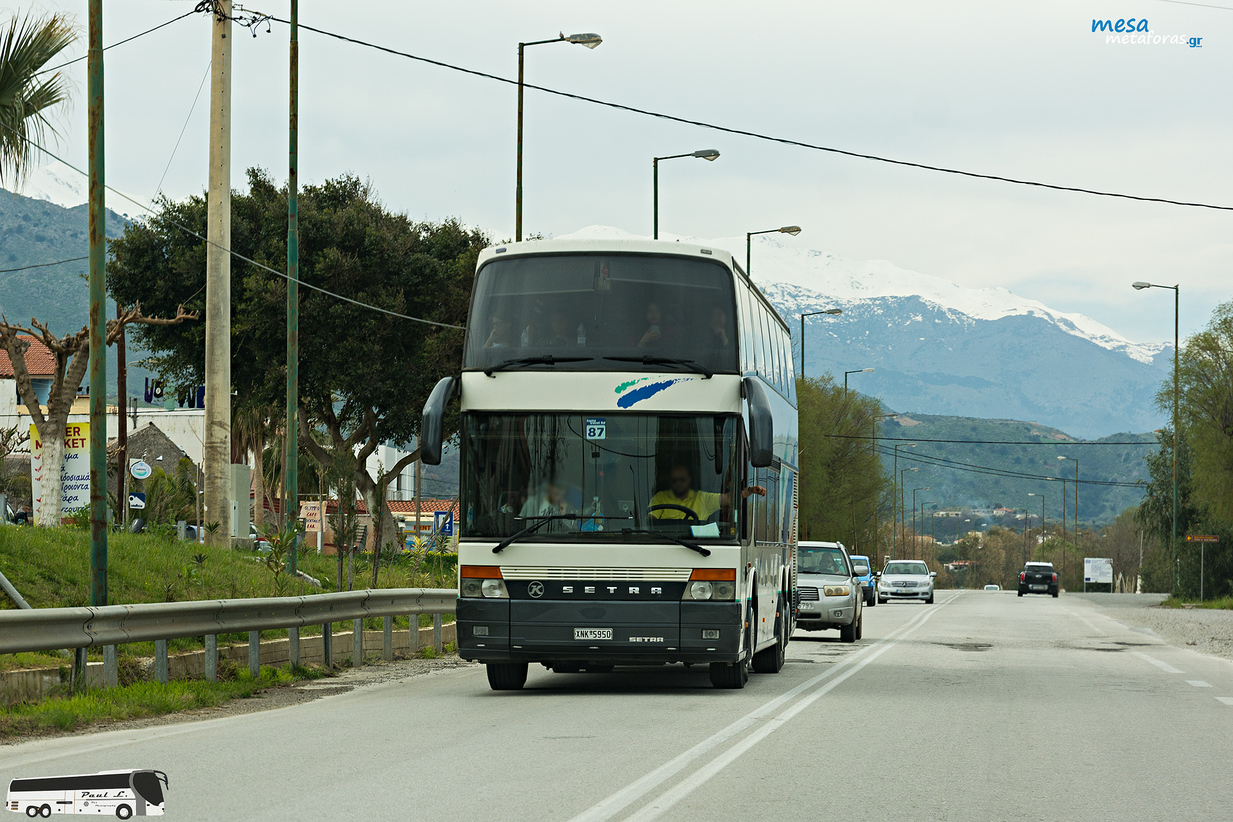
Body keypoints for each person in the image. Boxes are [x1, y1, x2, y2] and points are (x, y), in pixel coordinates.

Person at [649, 464, 765, 521]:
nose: (679, 483)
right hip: (665, 544)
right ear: (670, 481)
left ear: (689, 480)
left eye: (682, 480)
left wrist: (749, 490)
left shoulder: (702, 498)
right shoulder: (660, 497)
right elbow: (650, 520)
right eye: (675, 480)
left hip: (698, 546)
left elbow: (729, 499)